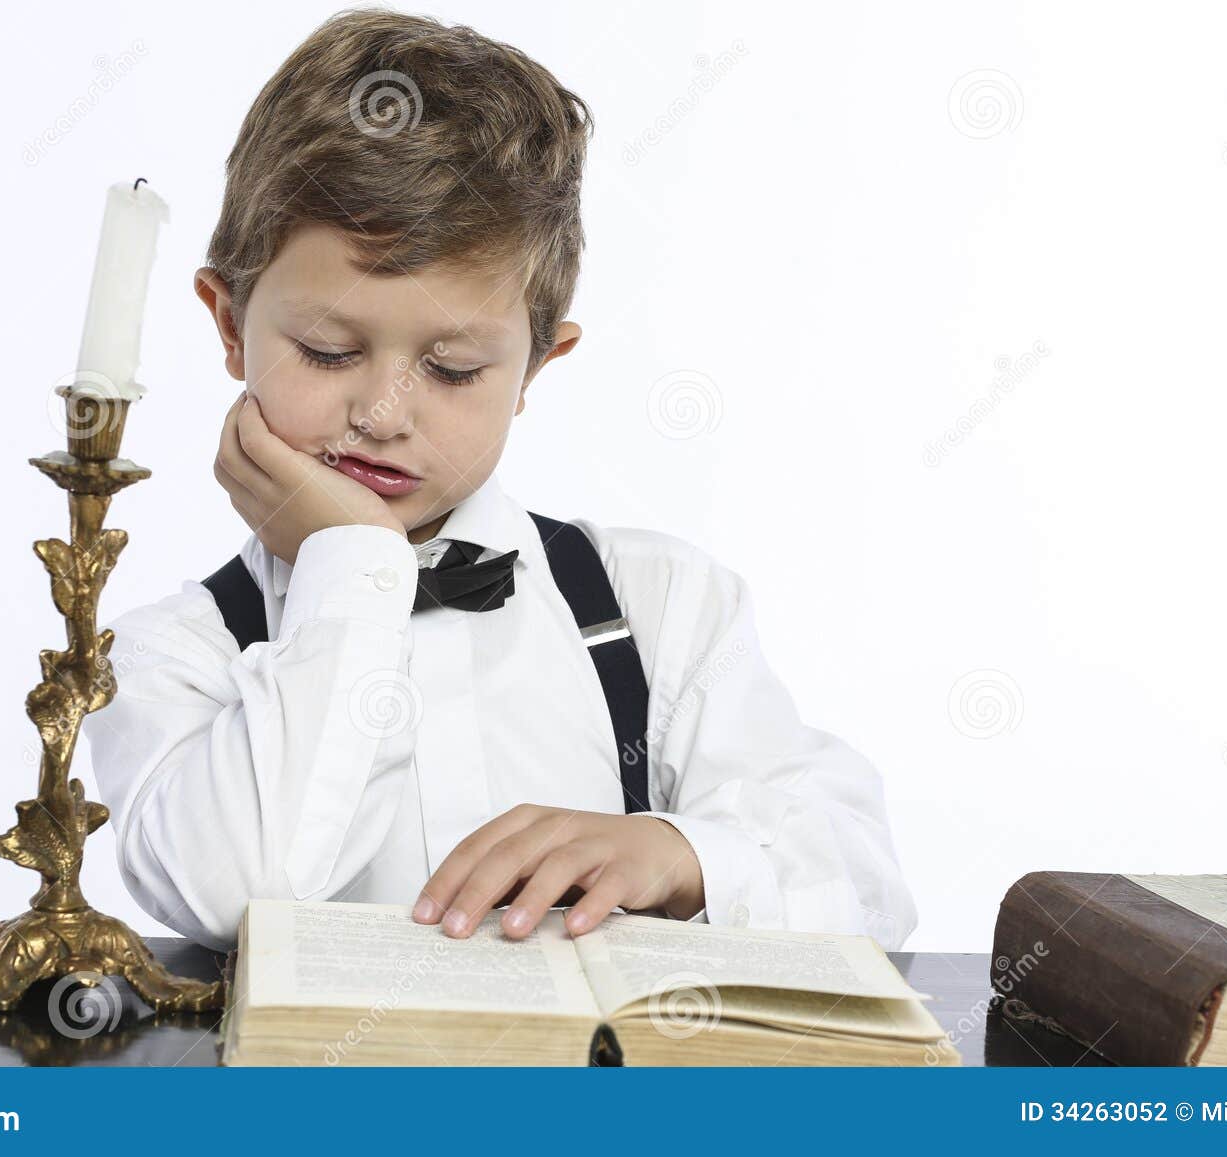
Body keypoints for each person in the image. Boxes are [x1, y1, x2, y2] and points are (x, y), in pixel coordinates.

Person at [82, 7, 916, 955]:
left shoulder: (662, 609)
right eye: (326, 350)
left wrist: (682, 851)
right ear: (228, 324)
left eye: (451, 369)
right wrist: (351, 564)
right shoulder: (176, 656)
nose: (385, 411)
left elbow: (868, 884)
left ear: (534, 368)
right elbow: (236, 887)